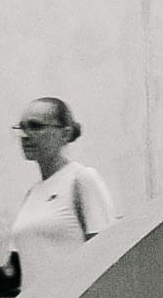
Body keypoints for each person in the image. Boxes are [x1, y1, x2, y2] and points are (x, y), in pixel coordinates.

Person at [10, 94, 117, 245]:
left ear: (65, 134)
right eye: (22, 127)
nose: (25, 135)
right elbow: (17, 257)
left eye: (36, 126)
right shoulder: (32, 194)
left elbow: (105, 247)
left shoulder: (82, 178)